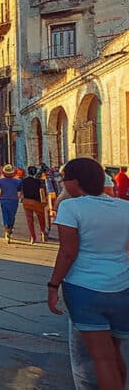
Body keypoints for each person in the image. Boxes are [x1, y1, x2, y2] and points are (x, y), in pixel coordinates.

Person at [47, 158, 129, 390]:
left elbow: (68, 252)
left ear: (74, 182)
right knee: (115, 355)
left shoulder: (71, 207)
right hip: (122, 286)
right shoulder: (124, 207)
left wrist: (53, 285)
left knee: (101, 359)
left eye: (65, 180)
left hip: (85, 289)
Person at [0, 164, 22, 244]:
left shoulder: (0, 181)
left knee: (5, 215)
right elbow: (20, 191)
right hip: (14, 201)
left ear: (4, 173)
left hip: (3, 200)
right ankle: (10, 228)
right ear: (13, 173)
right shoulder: (18, 181)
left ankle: (6, 230)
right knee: (12, 216)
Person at [22, 166, 48, 244]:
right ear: (36, 172)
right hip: (37, 202)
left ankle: (33, 237)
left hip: (26, 201)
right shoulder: (38, 181)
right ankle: (43, 233)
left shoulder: (24, 181)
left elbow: (21, 191)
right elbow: (42, 191)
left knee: (30, 220)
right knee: (41, 218)